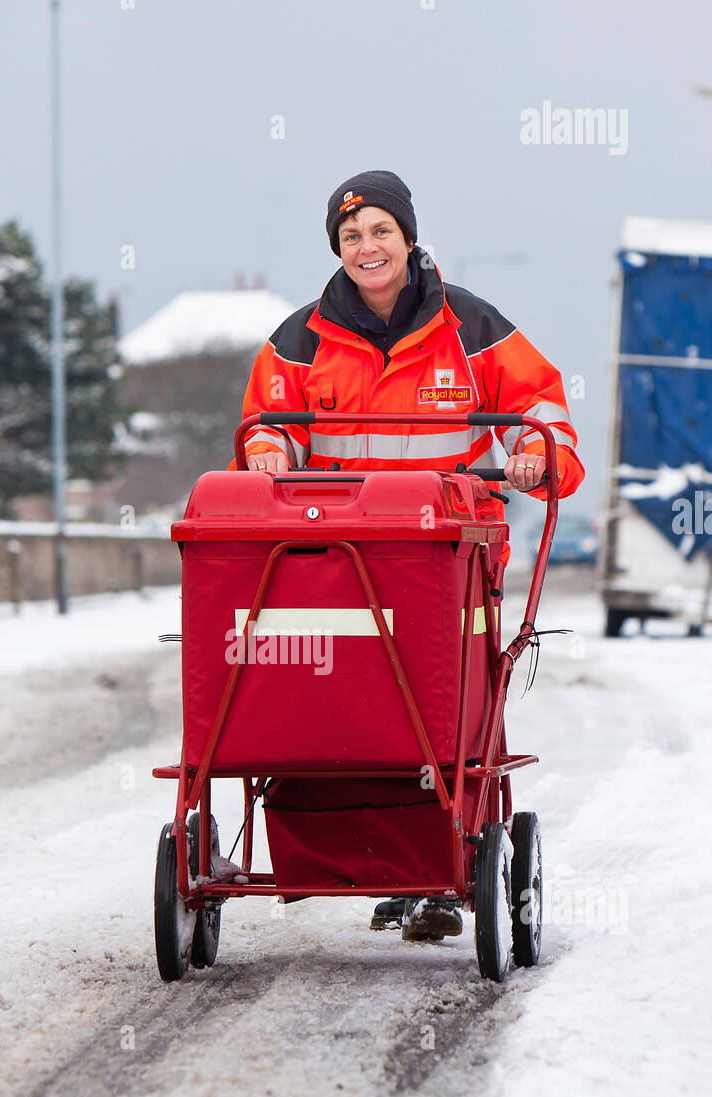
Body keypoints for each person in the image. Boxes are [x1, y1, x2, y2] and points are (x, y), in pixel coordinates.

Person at [236, 170, 585, 941]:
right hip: (333, 560)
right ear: (337, 248)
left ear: (409, 238)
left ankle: (444, 859)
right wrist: (265, 450)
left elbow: (544, 409)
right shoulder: (300, 339)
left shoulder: (473, 325)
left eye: (381, 232)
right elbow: (268, 423)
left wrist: (533, 447)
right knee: (342, 705)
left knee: (443, 713)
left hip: (449, 562)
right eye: (351, 236)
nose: (368, 248)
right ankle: (360, 850)